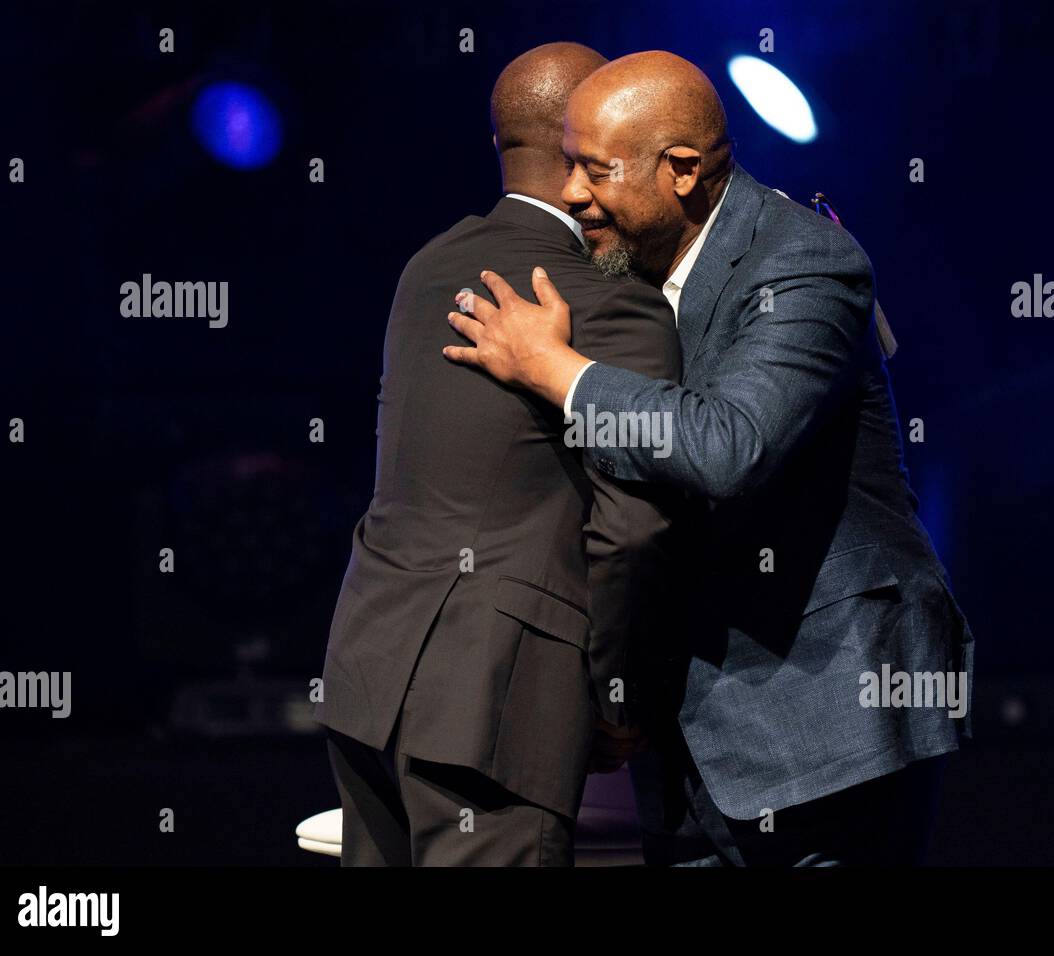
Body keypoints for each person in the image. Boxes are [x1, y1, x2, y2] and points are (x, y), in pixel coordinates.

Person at [444, 50, 975, 866]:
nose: (572, 192)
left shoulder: (806, 264)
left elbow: (729, 446)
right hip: (686, 743)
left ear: (682, 172)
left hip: (826, 720)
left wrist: (554, 369)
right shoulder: (622, 266)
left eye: (594, 170)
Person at [312, 42, 681, 866]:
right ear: (596, 140)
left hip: (367, 676)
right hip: (493, 700)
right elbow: (633, 533)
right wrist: (619, 695)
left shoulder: (427, 265)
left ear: (499, 146)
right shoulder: (611, 301)